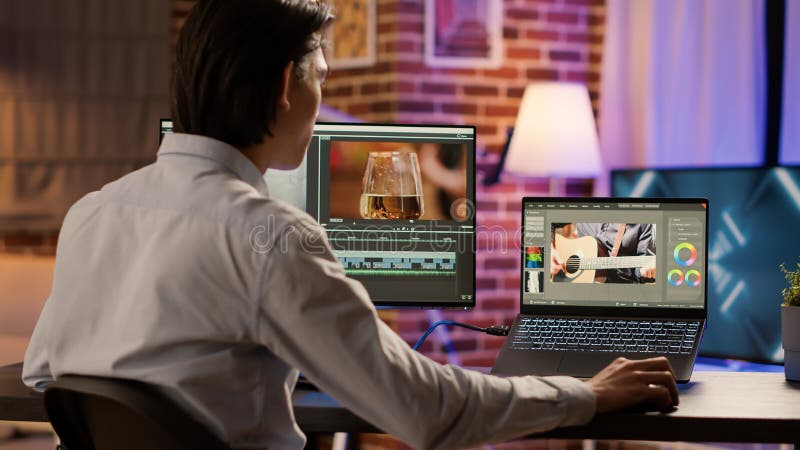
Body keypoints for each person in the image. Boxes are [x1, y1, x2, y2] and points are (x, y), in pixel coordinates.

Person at [22, 1, 679, 449]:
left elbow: (47, 373)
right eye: (322, 76)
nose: (321, 99)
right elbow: (427, 410)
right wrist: (585, 394)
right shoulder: (272, 238)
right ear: (287, 85)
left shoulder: (92, 212)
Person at [551, 223, 657, 283]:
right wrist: (550, 250)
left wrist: (650, 272)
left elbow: (641, 273)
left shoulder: (644, 224)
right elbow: (546, 221)